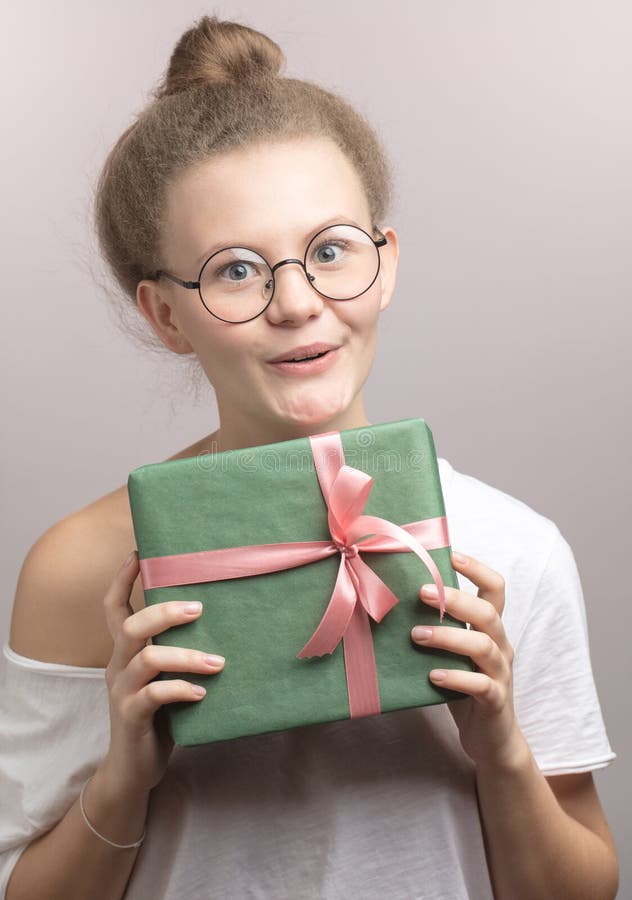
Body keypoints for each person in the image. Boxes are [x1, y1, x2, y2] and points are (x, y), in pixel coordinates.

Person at [0, 14, 619, 900]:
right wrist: (125, 776)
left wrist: (502, 750)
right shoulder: (82, 571)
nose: (297, 302)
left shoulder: (511, 552)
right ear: (165, 315)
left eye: (331, 251)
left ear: (385, 264)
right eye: (237, 269)